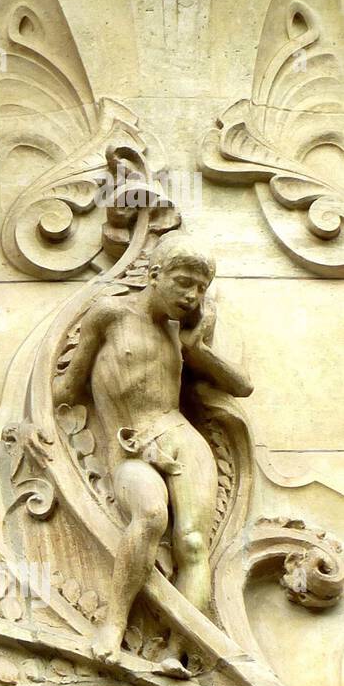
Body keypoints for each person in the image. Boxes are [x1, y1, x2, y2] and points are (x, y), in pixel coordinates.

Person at [53, 233, 252, 662]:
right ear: (154, 274)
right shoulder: (109, 316)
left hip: (180, 437)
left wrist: (197, 349)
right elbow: (66, 389)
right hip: (129, 444)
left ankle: (178, 650)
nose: (191, 295)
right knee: (150, 513)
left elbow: (243, 386)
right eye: (182, 282)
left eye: (200, 288)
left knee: (194, 543)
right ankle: (115, 623)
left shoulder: (185, 333)